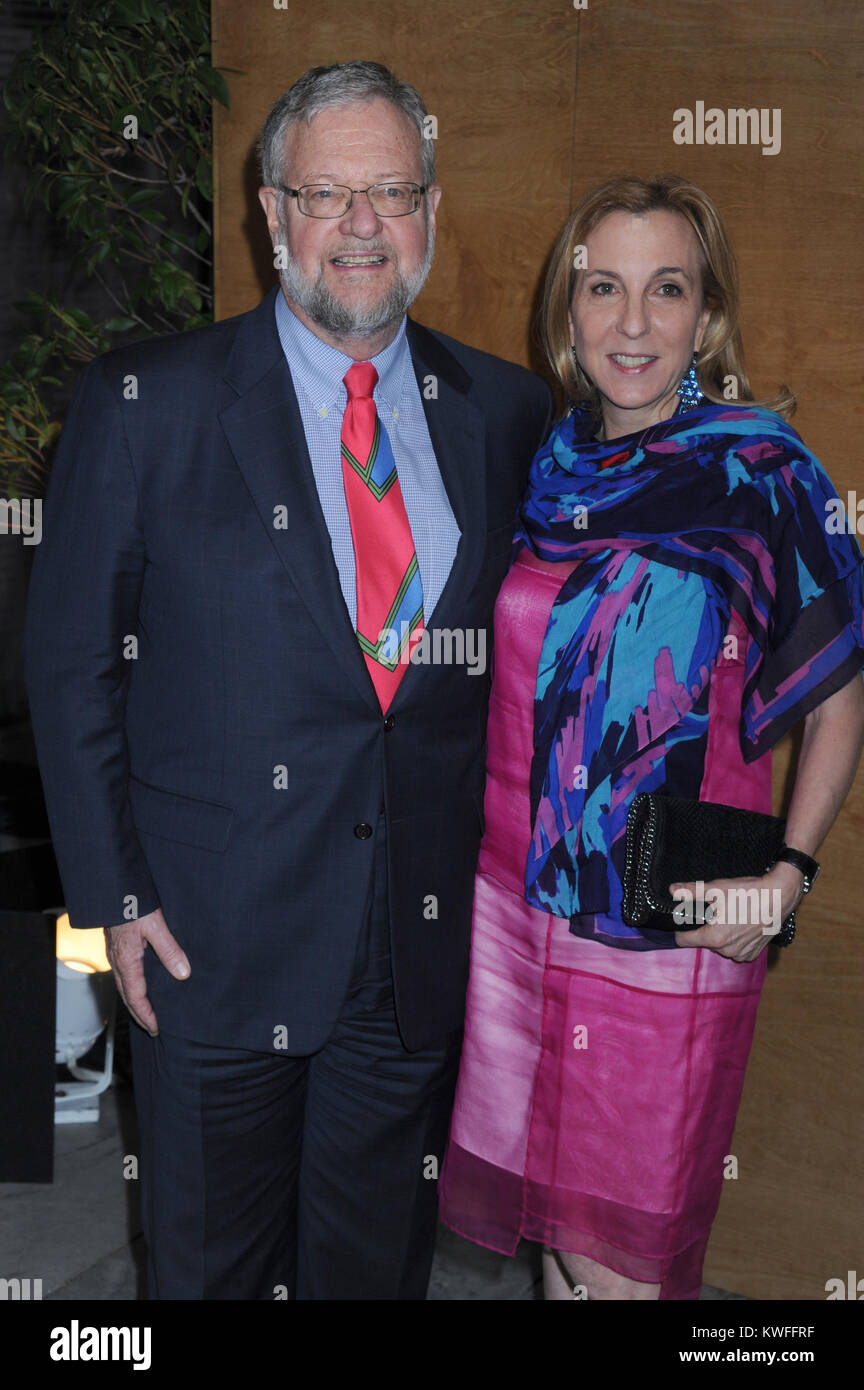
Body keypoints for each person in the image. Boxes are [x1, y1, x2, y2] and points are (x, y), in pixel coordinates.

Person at [23, 60, 552, 1300]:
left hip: (409, 956)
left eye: (392, 191)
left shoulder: (507, 413)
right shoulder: (147, 403)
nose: (363, 225)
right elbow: (68, 663)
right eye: (328, 195)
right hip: (209, 947)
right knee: (207, 1276)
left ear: (430, 206)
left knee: (373, 1277)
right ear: (271, 215)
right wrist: (112, 897)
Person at [437, 174, 864, 1300]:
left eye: (665, 290)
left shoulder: (759, 469)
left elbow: (839, 698)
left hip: (669, 906)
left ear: (706, 313)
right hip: (514, 900)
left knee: (622, 1260)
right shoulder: (544, 465)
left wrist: (788, 872)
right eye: (604, 288)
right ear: (567, 310)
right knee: (555, 1245)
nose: (632, 324)